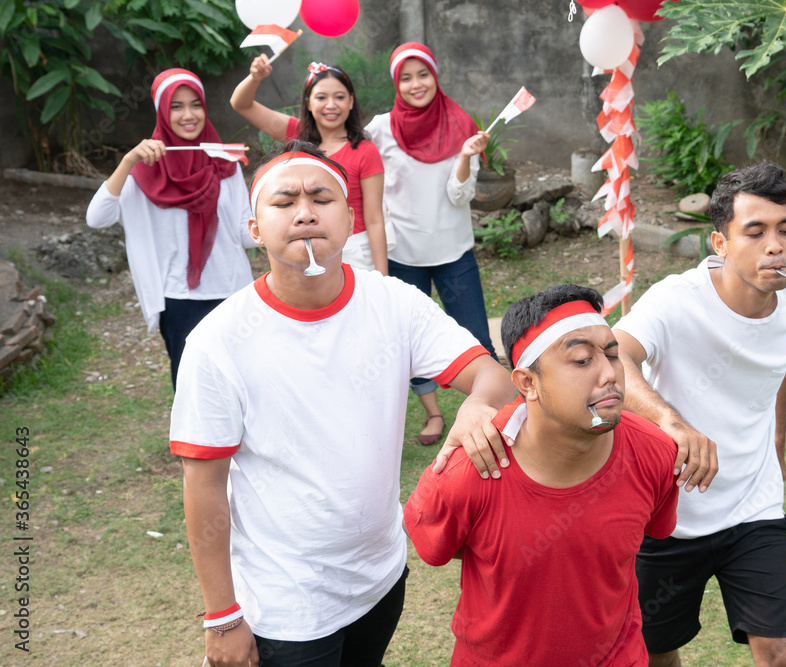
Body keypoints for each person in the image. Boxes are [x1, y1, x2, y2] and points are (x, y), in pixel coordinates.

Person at [169, 142, 516, 667]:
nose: (305, 211)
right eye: (284, 202)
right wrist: (222, 617)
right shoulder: (218, 341)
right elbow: (205, 485)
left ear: (351, 218)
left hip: (380, 576)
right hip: (286, 605)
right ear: (255, 229)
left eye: (321, 198)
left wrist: (476, 405)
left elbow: (494, 377)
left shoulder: (391, 303)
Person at [405, 285, 681, 666]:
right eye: (582, 360)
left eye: (613, 354)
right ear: (528, 384)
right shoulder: (469, 470)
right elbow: (438, 547)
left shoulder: (654, 450)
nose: (609, 374)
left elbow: (648, 528)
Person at [612, 161, 786, 667]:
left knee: (782, 655)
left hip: (753, 506)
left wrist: (778, 441)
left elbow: (785, 360)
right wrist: (670, 422)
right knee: (656, 651)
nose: (776, 245)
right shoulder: (675, 302)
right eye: (756, 231)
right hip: (668, 511)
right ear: (719, 243)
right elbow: (615, 356)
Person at [86, 68, 256, 389]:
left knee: (242, 384)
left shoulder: (224, 163)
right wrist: (127, 162)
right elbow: (97, 218)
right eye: (176, 106)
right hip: (179, 299)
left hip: (234, 291)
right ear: (162, 111)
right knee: (193, 387)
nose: (188, 115)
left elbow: (246, 235)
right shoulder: (144, 170)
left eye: (196, 104)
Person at [367, 41, 497, 447]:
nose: (415, 84)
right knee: (412, 343)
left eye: (422, 74)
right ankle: (434, 415)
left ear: (435, 76)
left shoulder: (461, 124)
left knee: (476, 336)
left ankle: (490, 413)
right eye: (405, 77)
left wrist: (464, 156)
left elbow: (460, 196)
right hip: (403, 252)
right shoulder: (379, 129)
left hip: (454, 250)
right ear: (395, 84)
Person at [230, 55, 389, 275]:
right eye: (321, 97)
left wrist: (382, 276)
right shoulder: (296, 135)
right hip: (303, 249)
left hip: (355, 251)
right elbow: (241, 104)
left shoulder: (365, 150)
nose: (331, 105)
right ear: (308, 102)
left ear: (351, 102)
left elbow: (374, 219)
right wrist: (255, 77)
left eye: (340, 97)